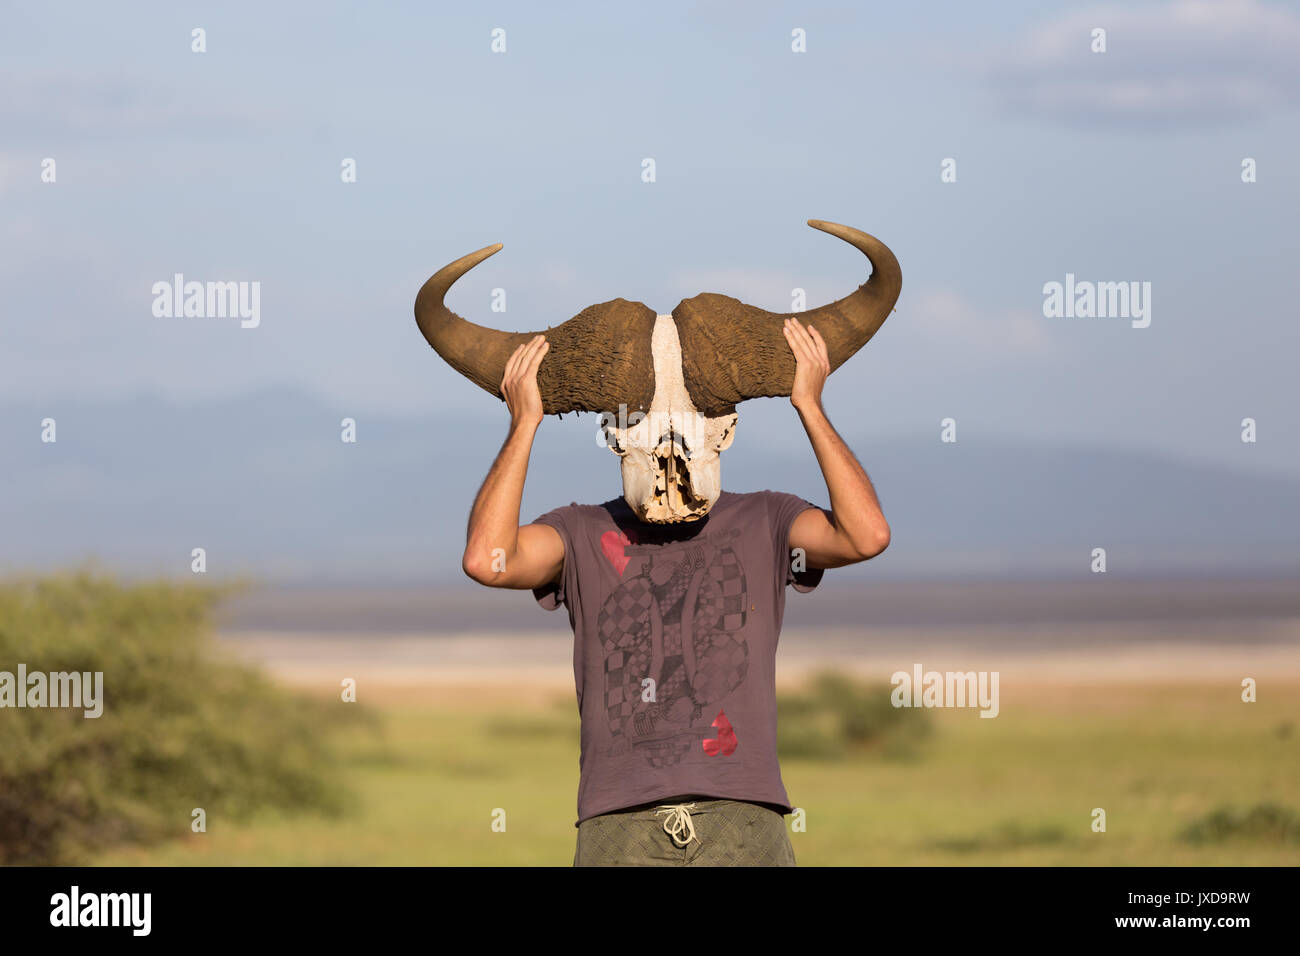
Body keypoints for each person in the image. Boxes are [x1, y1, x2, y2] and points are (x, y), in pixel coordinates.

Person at [461, 317, 891, 866]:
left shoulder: (766, 517)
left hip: (743, 816)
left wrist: (808, 403)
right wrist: (525, 423)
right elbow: (487, 560)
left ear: (725, 432)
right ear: (615, 438)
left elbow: (867, 534)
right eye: (642, 427)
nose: (669, 454)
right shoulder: (580, 530)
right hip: (620, 821)